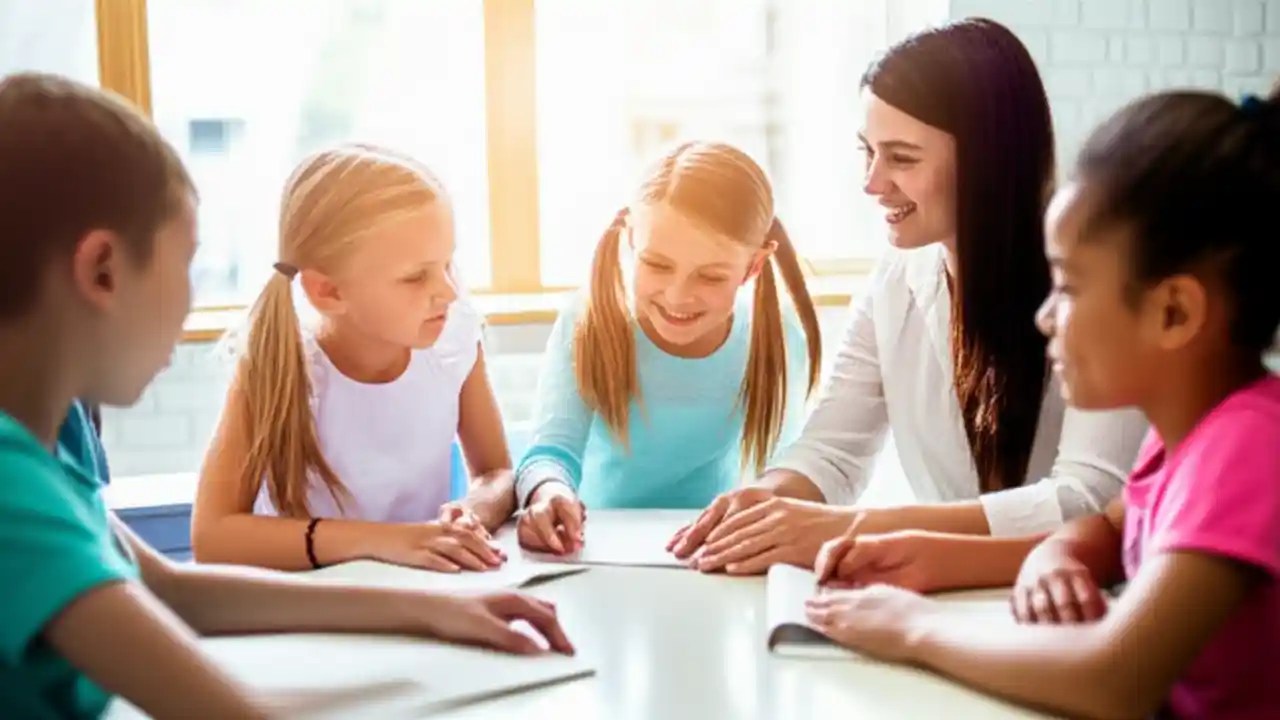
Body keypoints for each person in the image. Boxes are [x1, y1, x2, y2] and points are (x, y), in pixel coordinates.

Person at [0, 72, 572, 720]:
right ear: (102, 271)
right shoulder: (8, 485)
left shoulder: (54, 435)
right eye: (185, 265)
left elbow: (166, 588)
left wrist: (431, 610)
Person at [808, 85, 1280, 720]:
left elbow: (1116, 678)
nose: (1045, 316)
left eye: (1069, 287)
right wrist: (1045, 554)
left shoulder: (1248, 448)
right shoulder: (1188, 439)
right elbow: (1113, 527)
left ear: (1174, 312)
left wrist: (913, 629)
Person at [670, 18, 1146, 579]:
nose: (872, 182)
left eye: (901, 158)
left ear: (987, 158)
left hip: (1079, 601)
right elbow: (832, 450)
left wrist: (850, 529)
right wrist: (768, 503)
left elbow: (1088, 500)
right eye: (867, 152)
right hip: (953, 597)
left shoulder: (1097, 286)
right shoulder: (896, 279)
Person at [192, 143, 515, 573]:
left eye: (447, 265)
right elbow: (212, 536)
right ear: (328, 291)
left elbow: (497, 473)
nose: (449, 292)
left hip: (418, 595)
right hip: (310, 605)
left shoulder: (452, 340)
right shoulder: (281, 362)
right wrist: (383, 542)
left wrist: (473, 511)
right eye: (416, 276)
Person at [515, 141, 822, 555]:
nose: (678, 297)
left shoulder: (778, 337)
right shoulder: (589, 320)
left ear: (752, 267)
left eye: (711, 277)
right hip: (593, 546)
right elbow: (551, 450)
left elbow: (785, 474)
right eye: (657, 265)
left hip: (710, 551)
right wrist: (547, 492)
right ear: (629, 242)